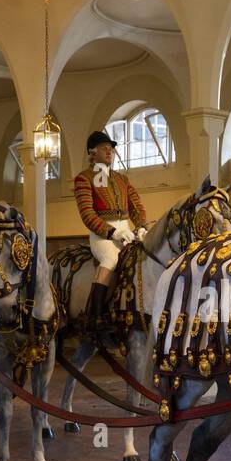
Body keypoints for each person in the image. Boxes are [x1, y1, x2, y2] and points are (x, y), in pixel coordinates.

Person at [73, 130, 147, 333]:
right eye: (104, 148)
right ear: (92, 152)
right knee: (111, 260)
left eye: (111, 149)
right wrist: (112, 232)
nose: (109, 152)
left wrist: (141, 226)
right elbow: (87, 214)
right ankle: (94, 315)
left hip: (127, 230)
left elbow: (136, 206)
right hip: (102, 236)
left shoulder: (122, 179)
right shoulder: (84, 178)